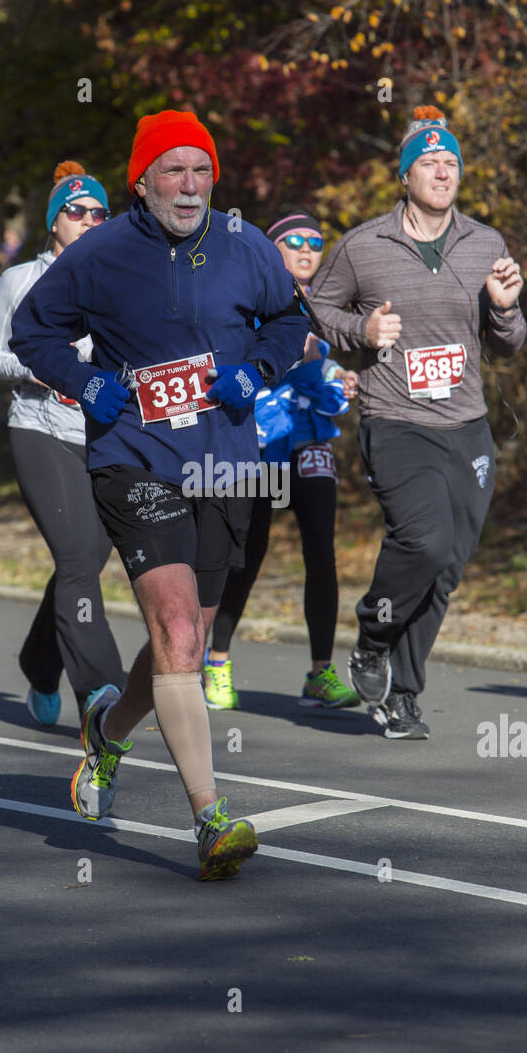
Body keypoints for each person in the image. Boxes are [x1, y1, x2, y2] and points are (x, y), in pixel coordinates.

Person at [9, 109, 309, 879]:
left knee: (186, 637)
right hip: (134, 457)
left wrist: (260, 369)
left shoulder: (245, 246)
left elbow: (288, 318)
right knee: (176, 624)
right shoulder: (102, 254)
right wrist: (84, 383)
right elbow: (31, 331)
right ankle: (210, 817)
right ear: (141, 182)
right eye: (172, 170)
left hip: (224, 462)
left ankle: (109, 731)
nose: (189, 184)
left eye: (200, 169)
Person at [306, 106, 526, 739]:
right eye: (428, 162)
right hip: (396, 419)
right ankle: (372, 637)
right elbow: (317, 312)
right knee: (423, 542)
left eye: (451, 162)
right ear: (404, 177)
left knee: (447, 566)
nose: (442, 171)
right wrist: (361, 330)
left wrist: (506, 311)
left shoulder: (486, 243)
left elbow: (509, 343)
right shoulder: (363, 245)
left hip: (468, 425)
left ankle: (403, 695)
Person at [0, 162, 123, 728]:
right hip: (37, 427)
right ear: (53, 222)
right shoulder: (18, 281)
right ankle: (103, 691)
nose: (88, 220)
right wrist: (36, 368)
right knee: (78, 559)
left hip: (101, 436)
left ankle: (40, 662)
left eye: (98, 213)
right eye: (75, 211)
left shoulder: (116, 281)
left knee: (84, 559)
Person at [204, 208, 360, 710]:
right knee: (248, 554)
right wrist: (300, 357)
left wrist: (339, 379)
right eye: (295, 242)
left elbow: (327, 362)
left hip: (309, 440)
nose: (308, 249)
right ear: (273, 250)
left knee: (322, 554)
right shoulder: (251, 295)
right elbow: (242, 366)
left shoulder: (326, 304)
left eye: (316, 242)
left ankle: (320, 672)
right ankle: (217, 661)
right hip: (260, 445)